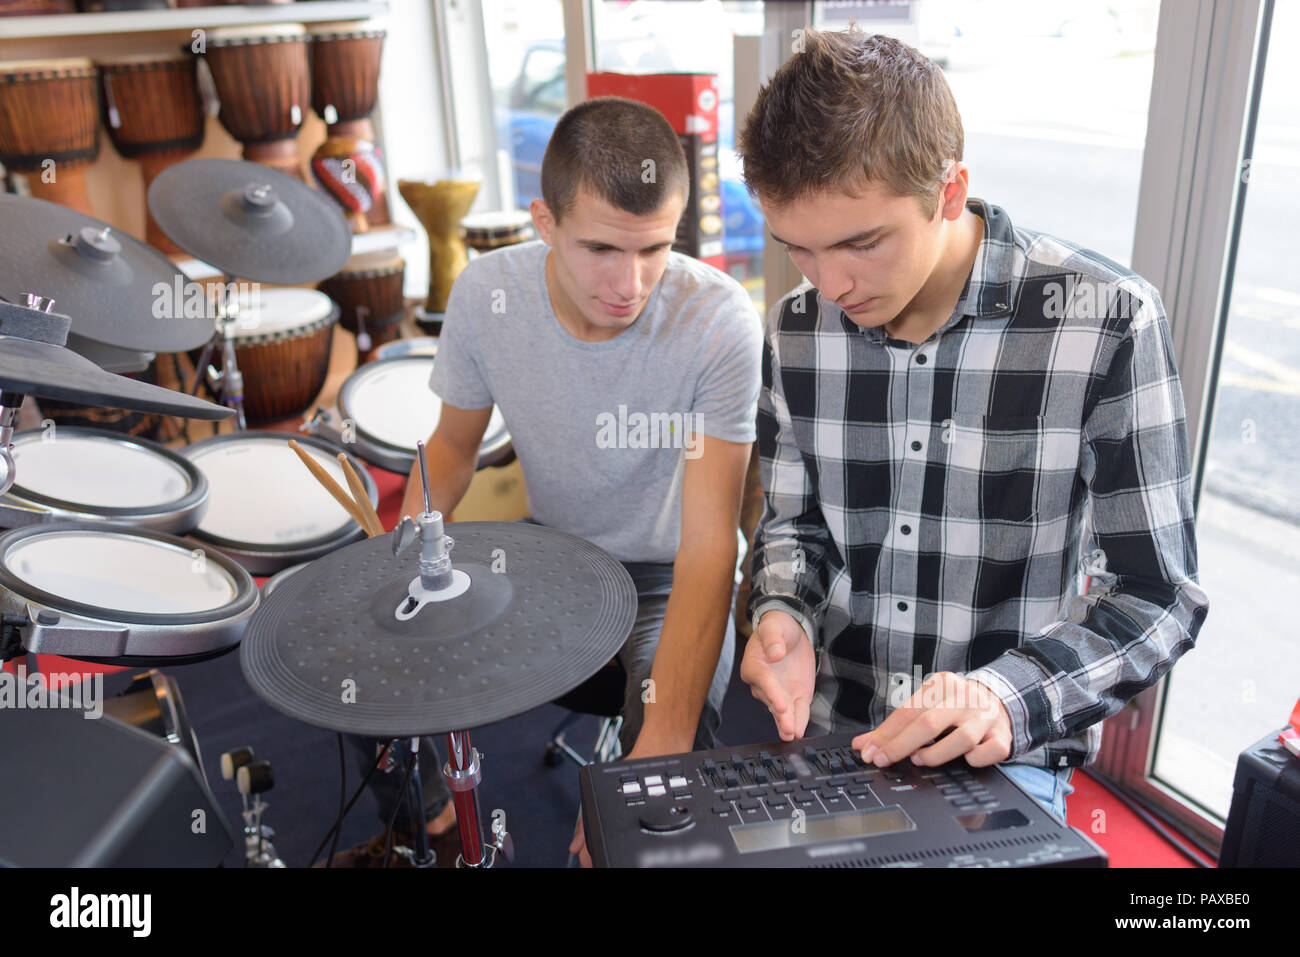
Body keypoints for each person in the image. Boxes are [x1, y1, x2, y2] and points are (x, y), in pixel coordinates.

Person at [735, 28, 1208, 823]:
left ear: (950, 192)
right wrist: (782, 609)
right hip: (828, 738)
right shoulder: (796, 328)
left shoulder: (1104, 323)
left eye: (862, 242)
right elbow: (794, 527)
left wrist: (1004, 696)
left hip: (1002, 760)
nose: (831, 283)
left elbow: (1158, 595)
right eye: (800, 249)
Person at [328, 96, 761, 867]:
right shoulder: (490, 294)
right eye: (601, 248)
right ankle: (422, 823)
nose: (631, 283)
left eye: (655, 248)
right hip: (544, 561)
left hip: (670, 571)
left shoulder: (719, 320)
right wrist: (409, 548)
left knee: (664, 784)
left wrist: (649, 765)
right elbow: (454, 449)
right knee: (353, 656)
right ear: (544, 221)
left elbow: (707, 545)